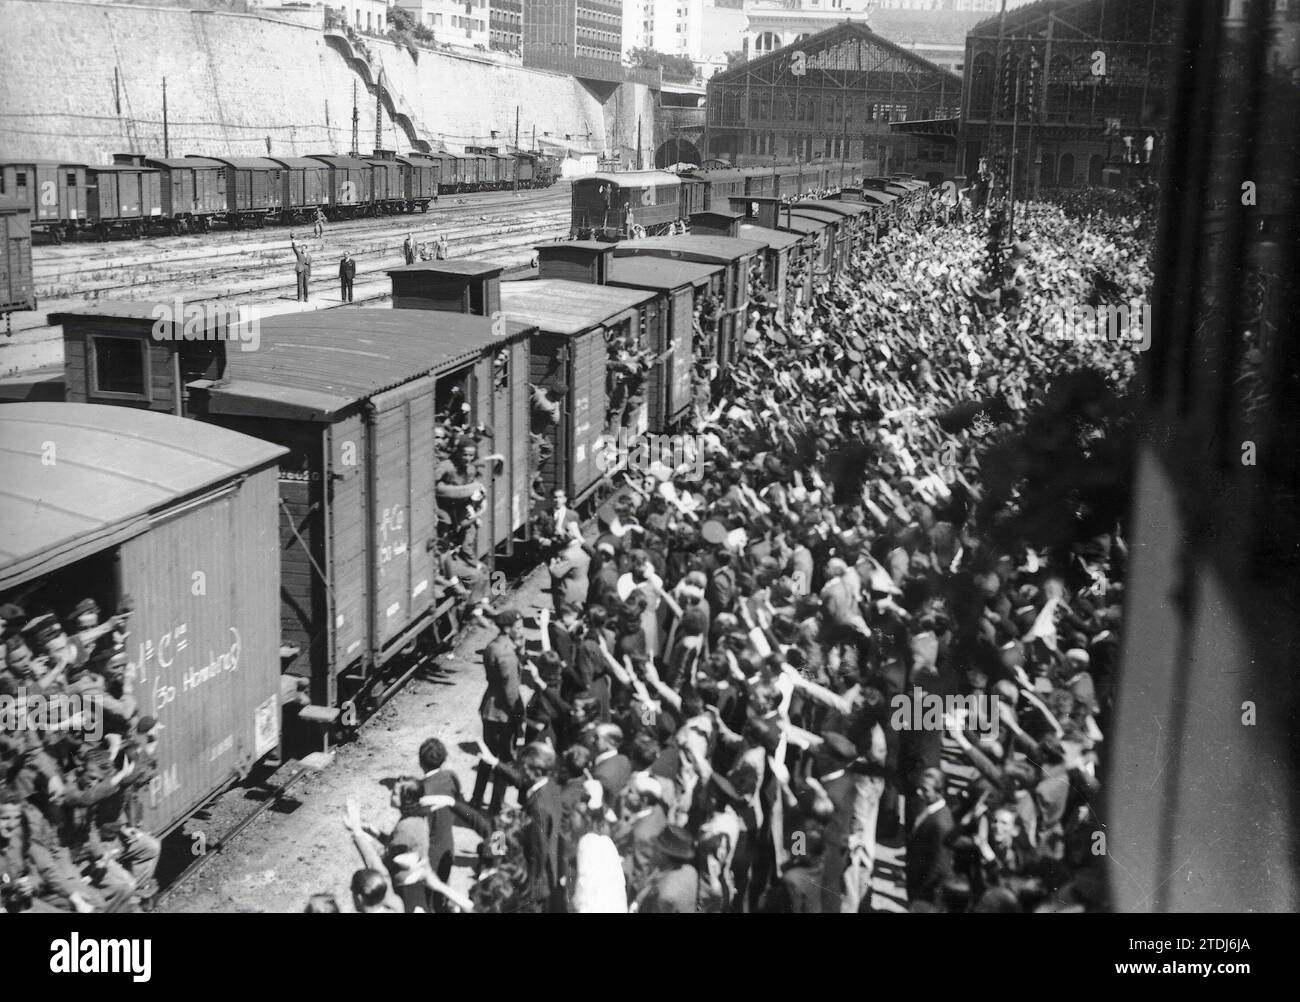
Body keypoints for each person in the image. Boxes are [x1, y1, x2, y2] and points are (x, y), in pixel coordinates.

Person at [473, 609, 528, 814]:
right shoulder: (507, 654)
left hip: (489, 708)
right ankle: (496, 806)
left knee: (487, 755)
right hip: (504, 713)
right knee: (504, 760)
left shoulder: (493, 646)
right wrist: (519, 717)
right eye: (518, 627)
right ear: (507, 628)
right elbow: (511, 691)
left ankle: (476, 798)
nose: (521, 630)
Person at [290, 234, 312, 302]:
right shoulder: (299, 254)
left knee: (306, 285)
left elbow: (309, 266)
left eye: (304, 248)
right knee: (300, 285)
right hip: (300, 271)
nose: (303, 249)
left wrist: (309, 274)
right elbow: (294, 248)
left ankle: (306, 298)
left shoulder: (309, 256)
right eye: (302, 248)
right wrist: (293, 240)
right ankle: (299, 298)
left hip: (306, 272)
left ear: (306, 249)